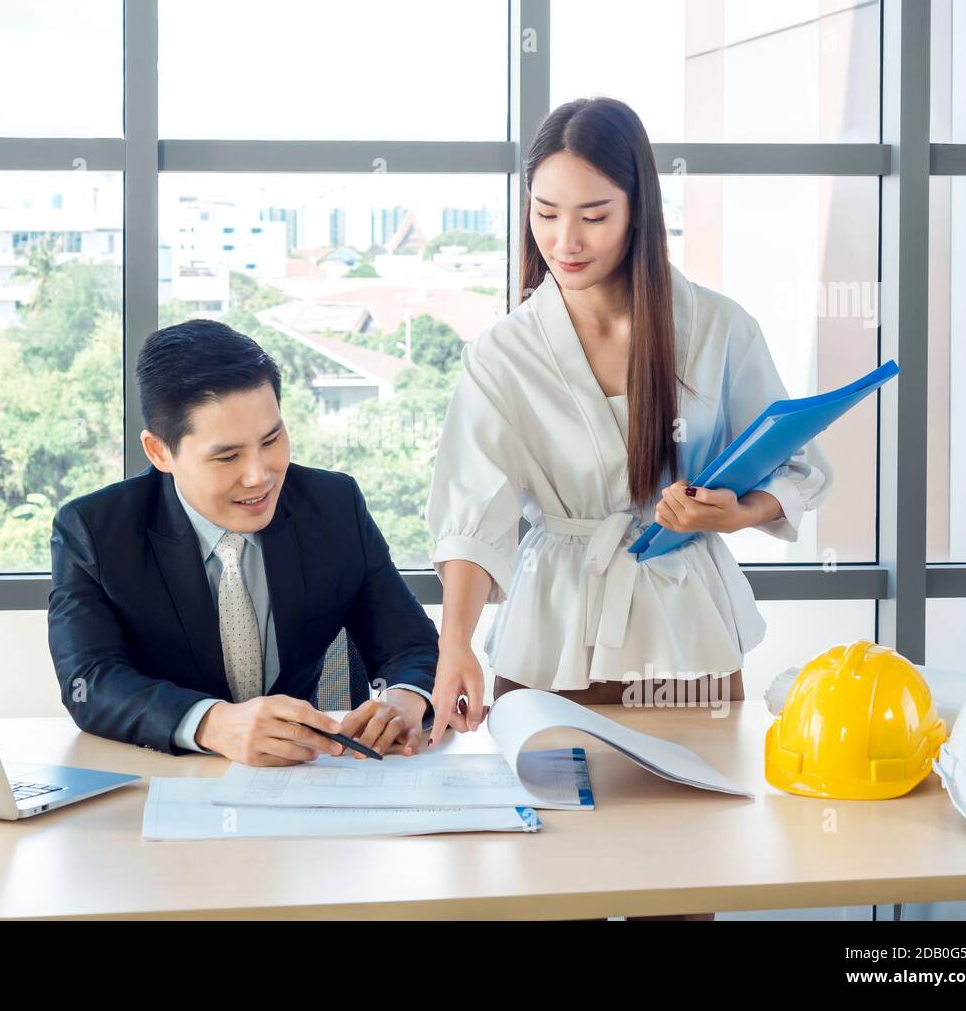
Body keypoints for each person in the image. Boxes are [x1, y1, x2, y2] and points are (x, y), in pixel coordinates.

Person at [425, 97, 833, 919]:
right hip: (549, 640)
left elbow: (797, 463)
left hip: (687, 635)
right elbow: (474, 508)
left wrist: (733, 513)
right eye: (544, 213)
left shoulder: (716, 327)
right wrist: (457, 641)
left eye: (592, 215)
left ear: (638, 211)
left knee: (683, 882)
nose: (564, 242)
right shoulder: (504, 351)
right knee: (547, 881)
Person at [49, 319, 437, 766]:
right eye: (227, 456)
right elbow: (88, 680)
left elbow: (410, 643)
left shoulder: (333, 507)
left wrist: (404, 702)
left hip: (302, 785)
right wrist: (211, 723)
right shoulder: (95, 530)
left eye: (272, 440)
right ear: (159, 452)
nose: (260, 475)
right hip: (165, 783)